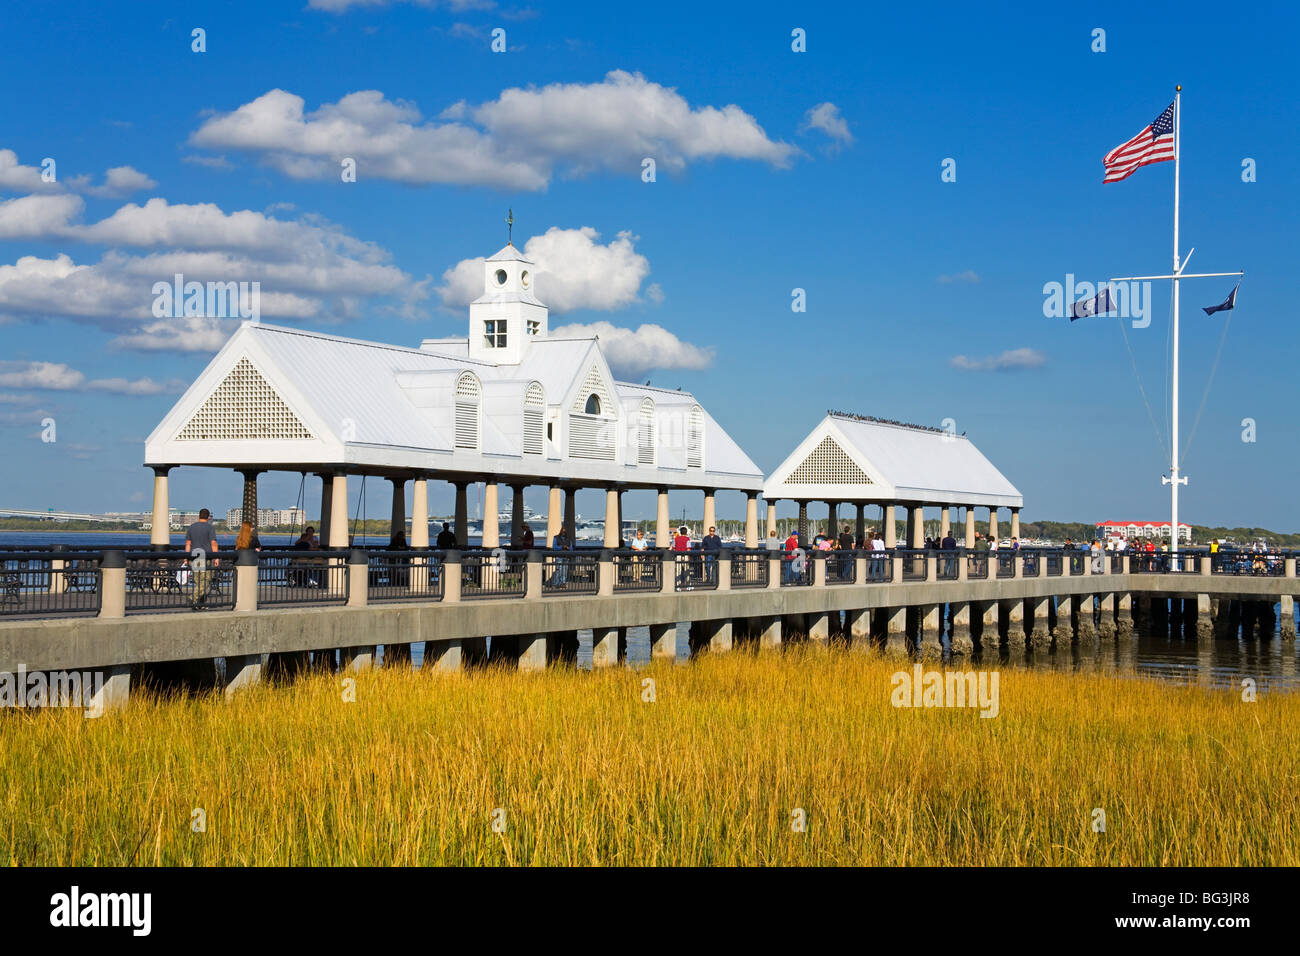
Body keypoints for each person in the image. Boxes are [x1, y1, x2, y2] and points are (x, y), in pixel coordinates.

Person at [184, 508, 219, 609]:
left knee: (198, 581)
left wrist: (186, 557)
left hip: (194, 556)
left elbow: (188, 544)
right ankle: (193, 598)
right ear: (208, 517)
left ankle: (199, 604)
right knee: (206, 581)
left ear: (199, 516)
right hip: (205, 557)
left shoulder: (191, 527)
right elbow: (213, 543)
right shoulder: (210, 528)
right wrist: (216, 557)